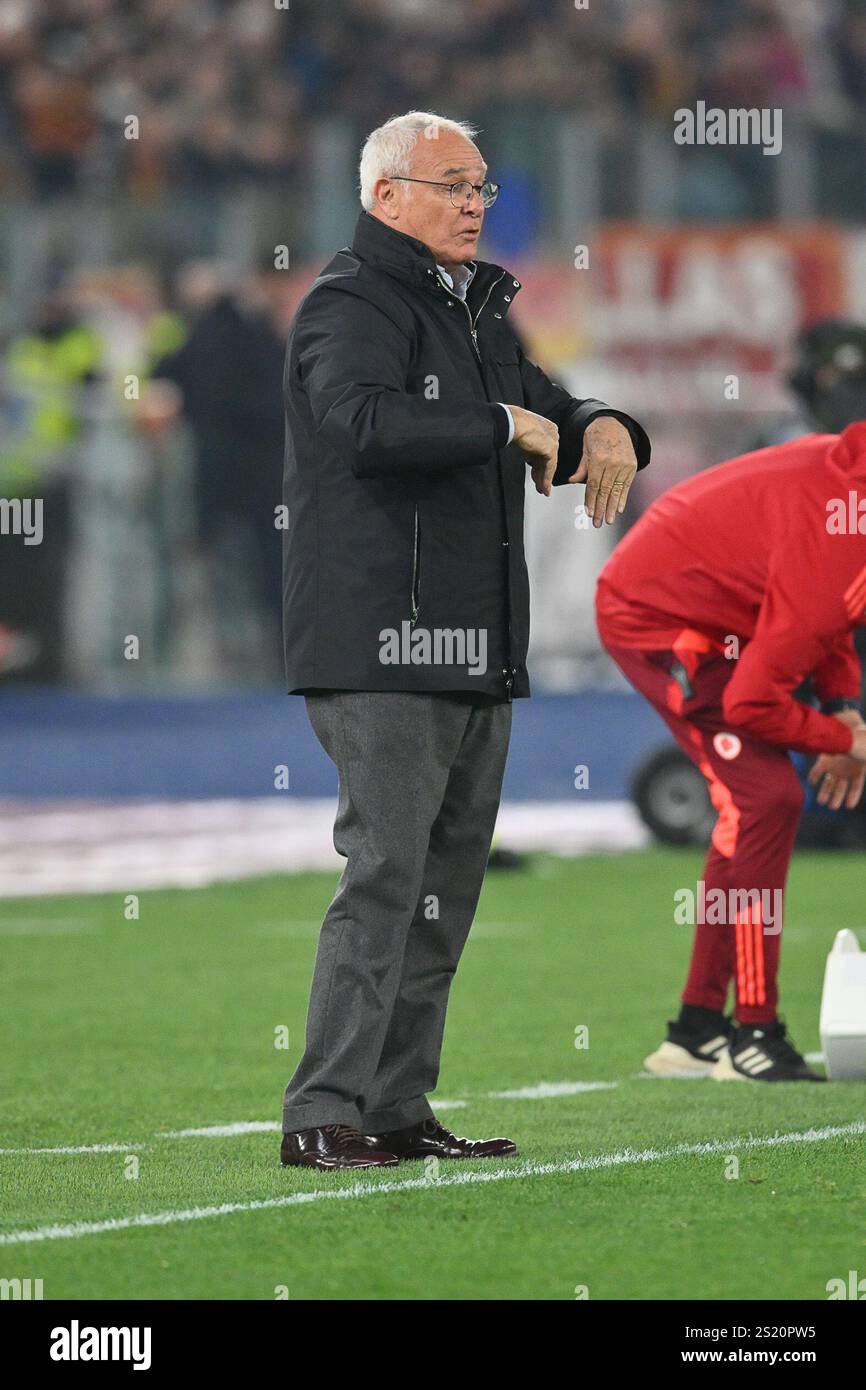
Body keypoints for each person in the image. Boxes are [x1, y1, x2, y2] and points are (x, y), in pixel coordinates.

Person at [280, 110, 651, 1170]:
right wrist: (504, 424)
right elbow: (360, 422)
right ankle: (321, 1112)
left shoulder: (472, 310)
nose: (474, 203)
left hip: (470, 642)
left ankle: (395, 1109)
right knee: (388, 875)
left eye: (480, 185)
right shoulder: (349, 302)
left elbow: (545, 409)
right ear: (385, 195)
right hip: (382, 640)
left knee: (441, 888)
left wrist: (605, 424)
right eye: (450, 184)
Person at [596, 422, 866, 1083]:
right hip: (659, 619)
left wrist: (843, 711)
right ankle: (753, 1033)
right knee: (765, 799)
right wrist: (841, 738)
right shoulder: (843, 535)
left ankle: (696, 1030)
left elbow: (827, 620)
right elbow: (753, 699)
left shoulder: (848, 501)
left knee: (747, 811)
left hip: (710, 614)